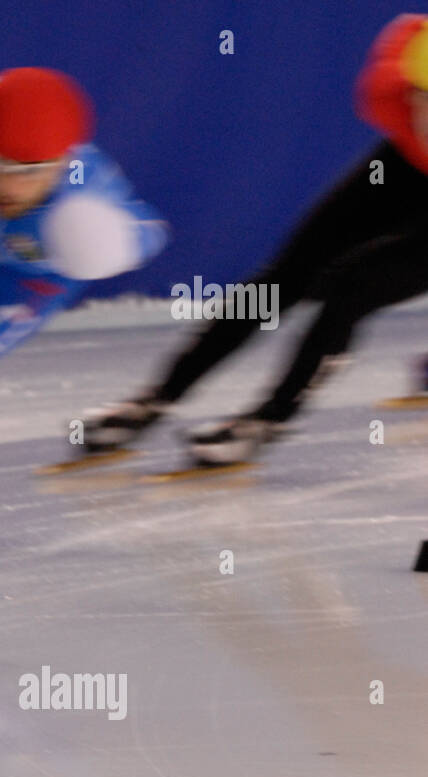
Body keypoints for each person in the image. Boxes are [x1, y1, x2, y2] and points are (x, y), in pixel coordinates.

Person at [78, 14, 428, 466]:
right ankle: (156, 397)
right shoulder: (399, 62)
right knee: (283, 279)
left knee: (349, 291)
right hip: (399, 168)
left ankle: (272, 416)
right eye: (422, 99)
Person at [0, 67, 166, 394]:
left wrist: (117, 244)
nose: (10, 187)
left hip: (15, 286)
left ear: (64, 161)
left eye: (30, 173)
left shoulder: (85, 197)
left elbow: (151, 231)